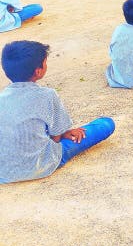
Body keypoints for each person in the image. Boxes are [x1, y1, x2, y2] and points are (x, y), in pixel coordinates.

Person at [0, 40, 115, 184]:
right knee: (106, 124)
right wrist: (63, 133)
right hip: (41, 165)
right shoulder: (47, 95)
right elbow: (56, 138)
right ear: (38, 71)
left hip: (3, 172)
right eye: (45, 62)